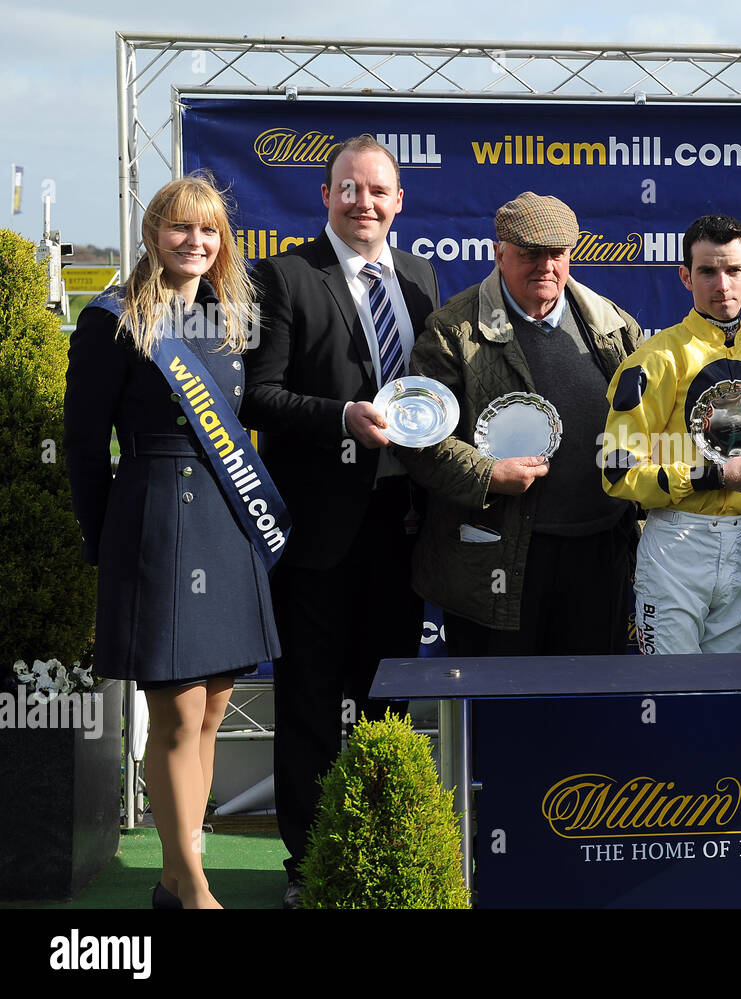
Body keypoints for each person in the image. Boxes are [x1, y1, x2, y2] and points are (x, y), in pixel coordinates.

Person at [65, 175, 282, 909]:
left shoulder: (230, 319)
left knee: (214, 708)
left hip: (224, 521)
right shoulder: (111, 319)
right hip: (155, 521)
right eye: (181, 227)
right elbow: (83, 447)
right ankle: (194, 884)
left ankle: (171, 876)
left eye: (209, 230)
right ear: (154, 233)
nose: (196, 241)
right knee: (177, 712)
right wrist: (108, 540)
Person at [243, 135, 440, 907]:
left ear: (399, 202)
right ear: (325, 195)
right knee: (311, 704)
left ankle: (381, 856)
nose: (364, 202)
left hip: (401, 527)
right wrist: (341, 417)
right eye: (349, 188)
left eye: (378, 190)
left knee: (388, 700)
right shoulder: (284, 276)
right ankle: (307, 866)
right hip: (318, 533)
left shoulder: (420, 279)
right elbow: (258, 396)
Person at [398, 192, 642, 656]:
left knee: (588, 694)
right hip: (499, 560)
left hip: (599, 554)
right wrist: (488, 474)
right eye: (530, 253)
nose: (545, 266)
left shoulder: (613, 326)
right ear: (499, 252)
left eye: (557, 253)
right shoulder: (453, 330)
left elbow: (645, 425)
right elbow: (419, 440)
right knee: (500, 696)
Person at [601, 214, 741, 654]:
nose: (722, 285)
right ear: (686, 277)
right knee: (670, 691)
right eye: (707, 271)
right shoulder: (655, 359)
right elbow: (616, 472)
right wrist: (715, 476)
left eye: (733, 270)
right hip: (676, 545)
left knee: (727, 691)